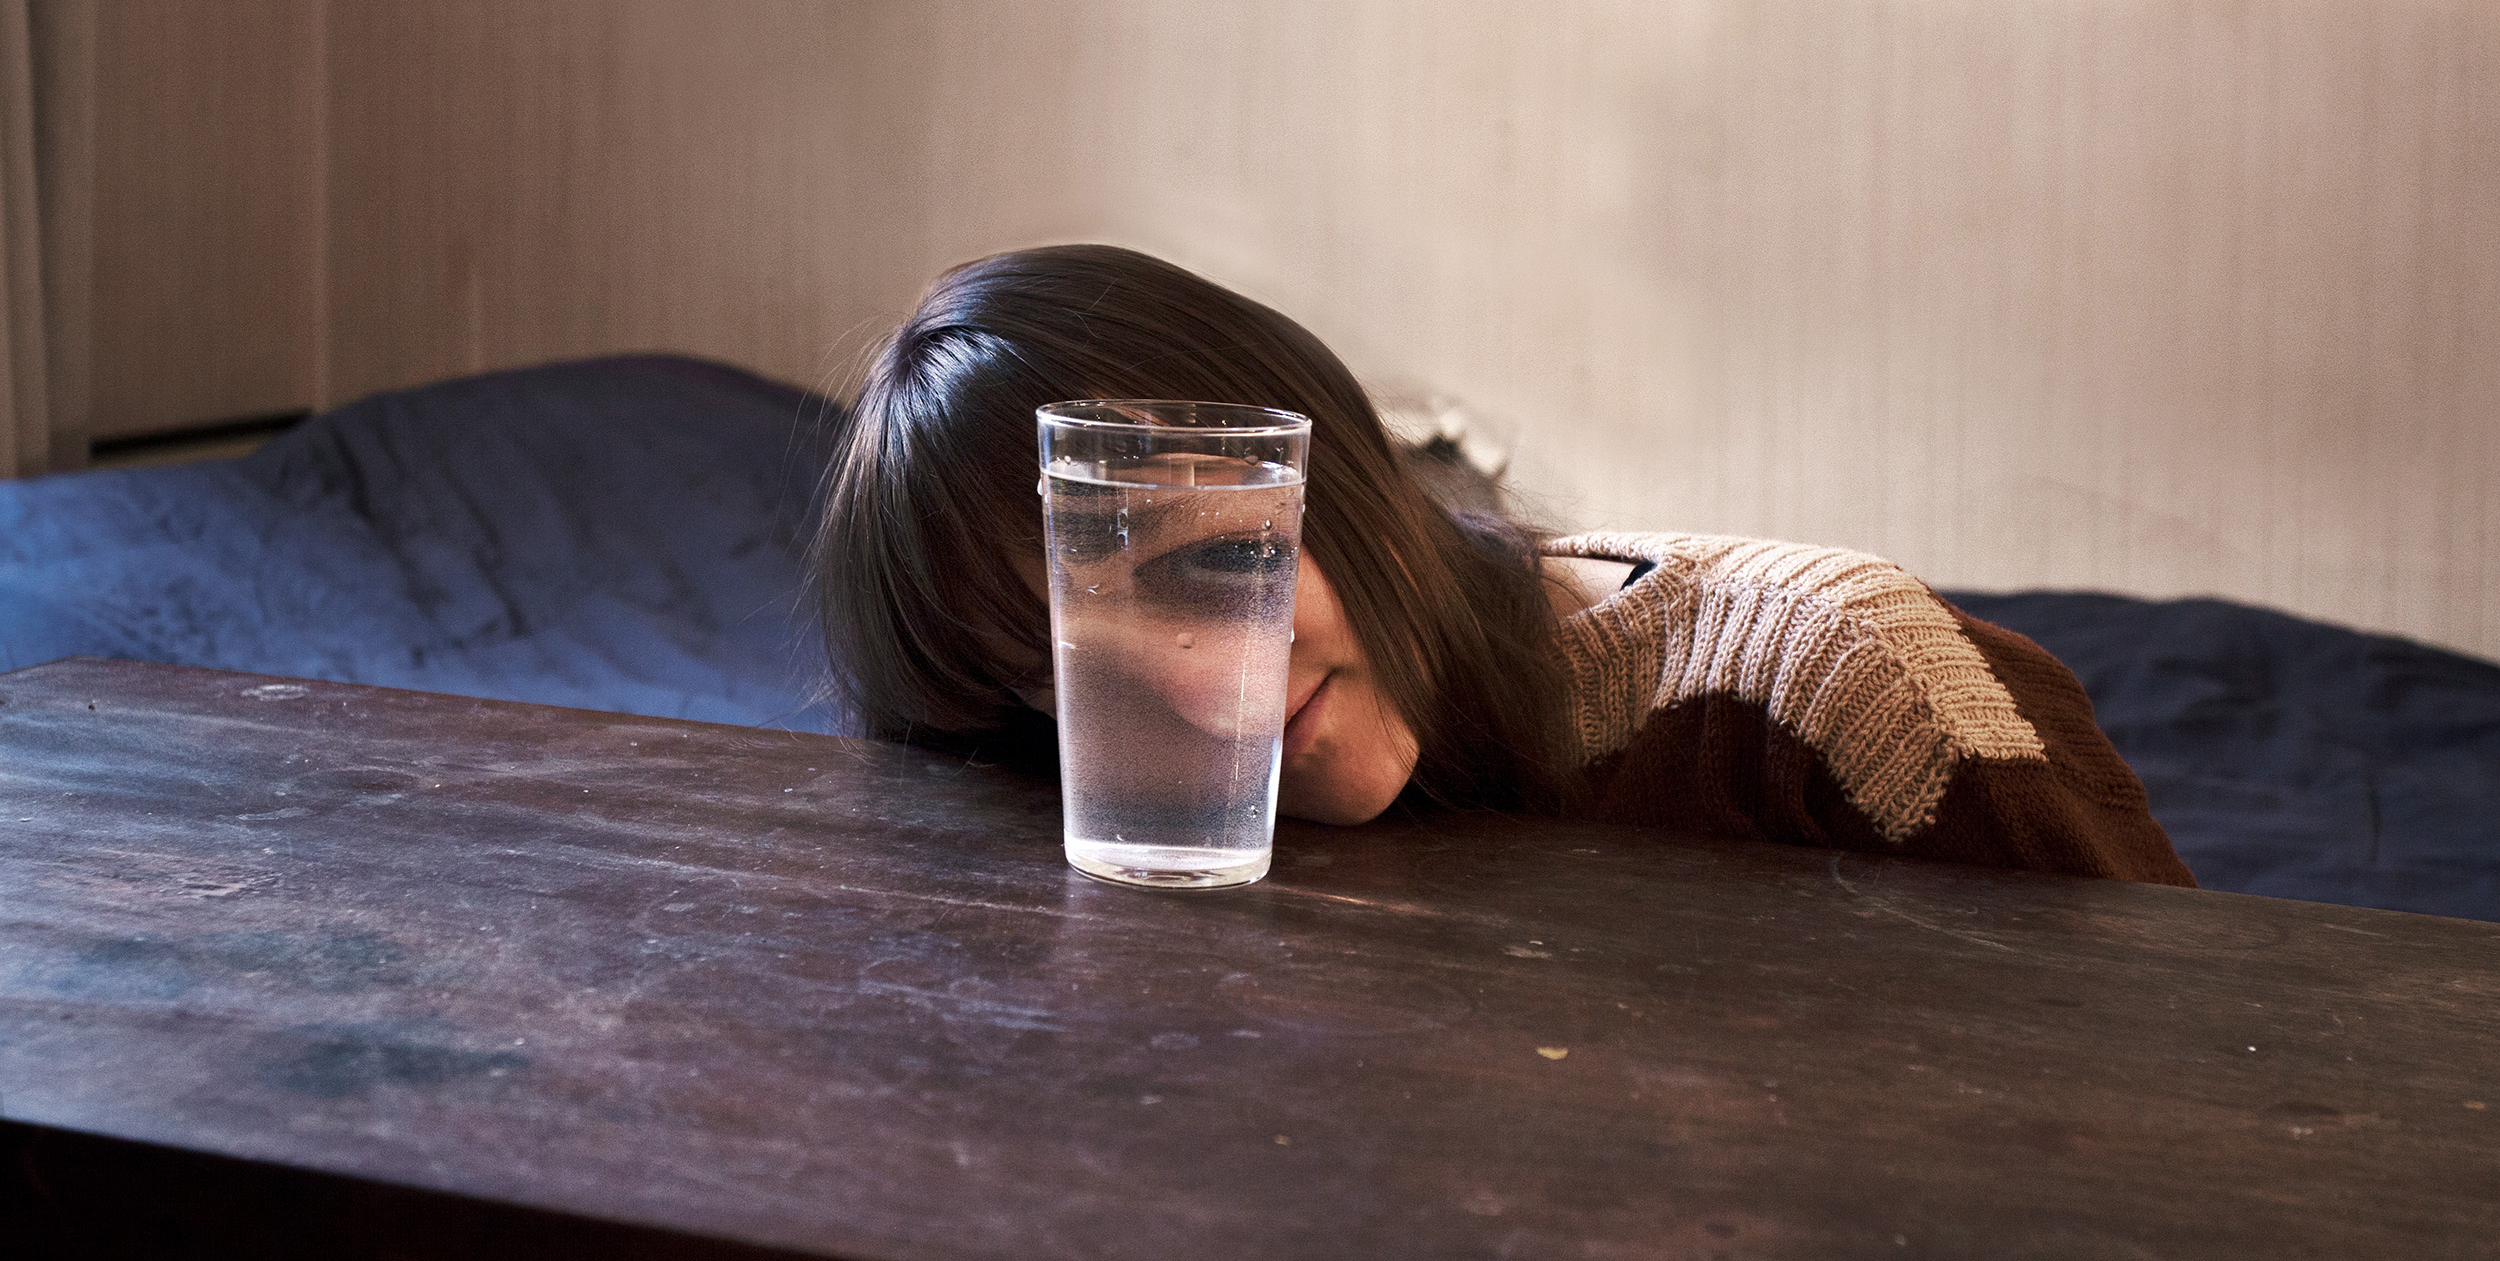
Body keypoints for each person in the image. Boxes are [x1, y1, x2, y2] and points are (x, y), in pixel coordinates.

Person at [814, 244, 2194, 885]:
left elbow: (2196, 1115)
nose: (1223, 705)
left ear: (1334, 466)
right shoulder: (1094, 824)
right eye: (1075, 678)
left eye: (1216, 568)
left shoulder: (1841, 684)